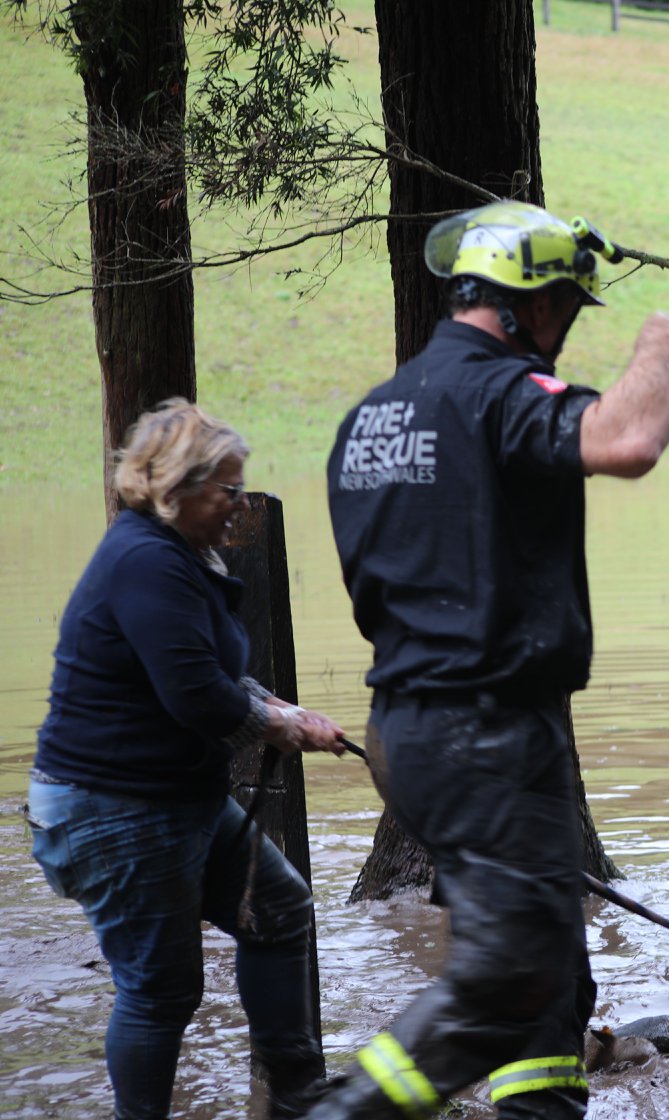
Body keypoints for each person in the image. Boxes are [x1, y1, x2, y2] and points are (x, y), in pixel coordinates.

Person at [310, 201, 669, 1120]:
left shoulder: (369, 421)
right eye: (565, 309)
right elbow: (626, 438)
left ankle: (540, 1110)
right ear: (524, 306)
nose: (563, 335)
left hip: (409, 734)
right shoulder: (499, 393)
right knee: (510, 975)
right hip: (487, 732)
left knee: (546, 965)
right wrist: (658, 340)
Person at [26, 398, 345, 1120]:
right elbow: (197, 697)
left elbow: (213, 673)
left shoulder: (185, 554)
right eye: (226, 490)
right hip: (111, 807)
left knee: (282, 911)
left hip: (177, 800)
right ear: (174, 483)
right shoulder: (144, 558)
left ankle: (296, 1101)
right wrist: (274, 726)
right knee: (160, 988)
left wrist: (287, 711)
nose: (239, 504)